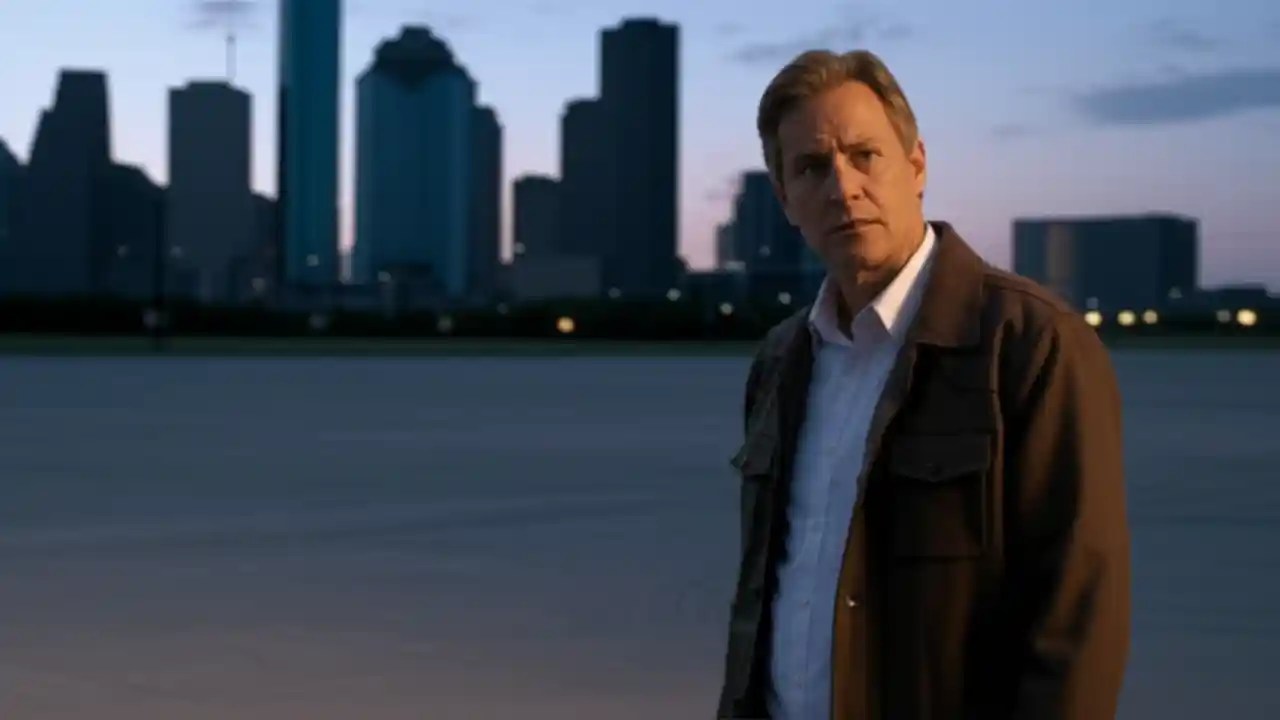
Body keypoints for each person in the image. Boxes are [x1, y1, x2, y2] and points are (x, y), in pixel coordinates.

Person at [715, 48, 1131, 720]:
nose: (842, 187)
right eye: (812, 168)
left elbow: (1075, 619)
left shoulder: (1029, 342)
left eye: (864, 155)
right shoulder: (781, 360)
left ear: (916, 165)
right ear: (785, 199)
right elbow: (763, 598)